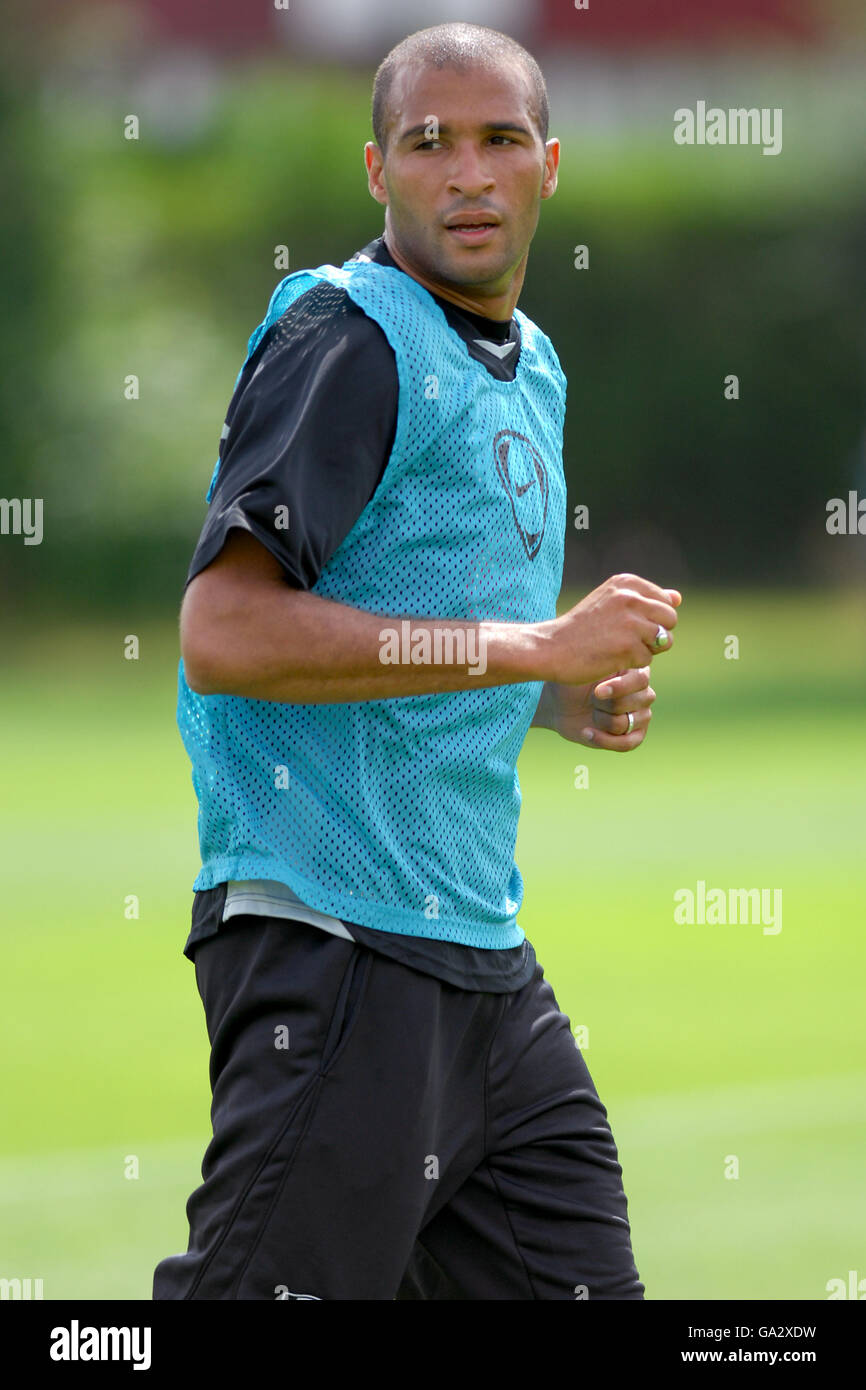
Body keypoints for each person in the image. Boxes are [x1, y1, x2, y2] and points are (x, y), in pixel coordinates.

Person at [152, 21, 680, 1302]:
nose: (466, 172)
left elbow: (410, 622)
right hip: (336, 948)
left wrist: (543, 693)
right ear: (377, 172)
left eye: (499, 140)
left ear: (547, 163)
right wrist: (525, 643)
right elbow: (225, 635)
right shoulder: (348, 335)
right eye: (426, 142)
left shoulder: (531, 364)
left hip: (481, 964)